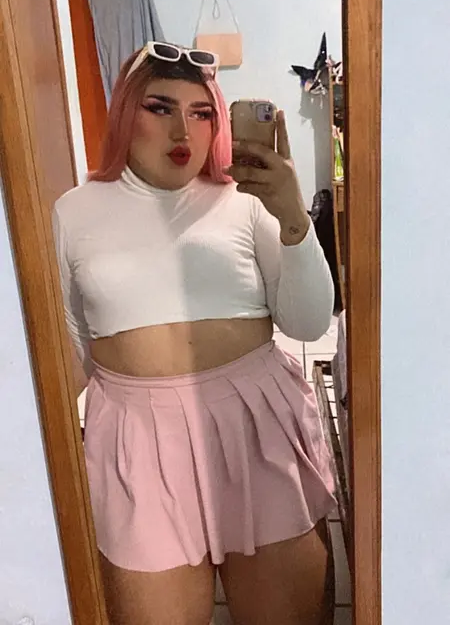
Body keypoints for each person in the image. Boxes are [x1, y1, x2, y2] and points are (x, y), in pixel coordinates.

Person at [52, 41, 337, 625]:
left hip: (256, 424)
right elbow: (66, 340)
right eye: (160, 107)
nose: (183, 129)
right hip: (136, 440)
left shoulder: (245, 202)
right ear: (125, 112)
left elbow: (309, 322)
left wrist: (291, 215)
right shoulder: (73, 212)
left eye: (201, 112)